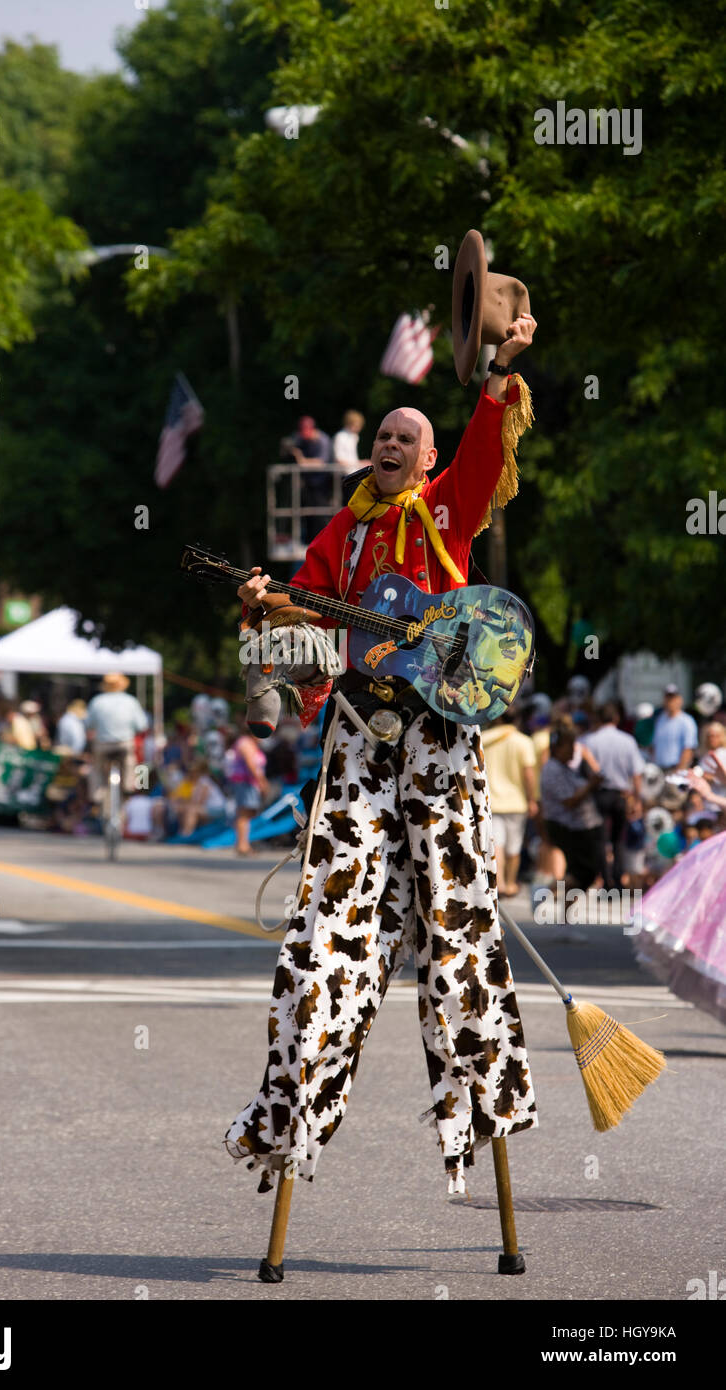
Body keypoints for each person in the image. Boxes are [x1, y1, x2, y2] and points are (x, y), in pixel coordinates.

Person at [225, 310, 539, 1196]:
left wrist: (494, 375)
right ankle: (287, 1118)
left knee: (459, 937)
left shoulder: (448, 508)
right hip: (361, 740)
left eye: (407, 436)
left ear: (427, 460)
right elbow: (307, 612)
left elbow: (485, 449)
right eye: (383, 437)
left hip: (439, 738)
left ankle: (481, 1100)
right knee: (325, 943)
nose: (391, 444)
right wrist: (266, 601)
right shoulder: (346, 532)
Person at [581, 701, 645, 890]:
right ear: (616, 718)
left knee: (600, 839)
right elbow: (636, 773)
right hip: (620, 794)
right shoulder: (628, 740)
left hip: (598, 794)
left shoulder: (589, 741)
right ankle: (618, 878)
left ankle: (605, 879)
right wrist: (637, 798)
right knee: (618, 839)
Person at [539, 727, 605, 891]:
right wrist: (591, 785)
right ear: (558, 748)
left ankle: (563, 908)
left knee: (583, 873)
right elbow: (569, 801)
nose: (573, 750)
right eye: (569, 746)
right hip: (567, 827)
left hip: (578, 826)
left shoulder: (563, 768)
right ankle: (545, 892)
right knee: (581, 873)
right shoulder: (552, 769)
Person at [481, 712, 538, 897]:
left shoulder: (483, 738)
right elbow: (528, 774)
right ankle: (511, 882)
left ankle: (500, 883)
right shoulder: (523, 742)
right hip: (516, 802)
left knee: (497, 845)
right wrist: (532, 799)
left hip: (492, 801)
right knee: (514, 846)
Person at [85, 673, 148, 803]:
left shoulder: (97, 701)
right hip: (124, 744)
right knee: (130, 762)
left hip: (102, 745)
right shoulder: (131, 701)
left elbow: (88, 724)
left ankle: (96, 796)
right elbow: (142, 725)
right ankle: (129, 787)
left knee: (96, 769)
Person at [287, 415, 334, 544]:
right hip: (309, 485)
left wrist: (301, 459)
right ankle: (309, 541)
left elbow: (321, 462)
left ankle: (324, 541)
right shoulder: (302, 439)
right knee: (308, 516)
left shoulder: (323, 440)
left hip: (322, 485)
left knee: (321, 516)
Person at [224, 729, 269, 854]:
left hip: (247, 783)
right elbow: (251, 765)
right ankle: (242, 845)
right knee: (244, 813)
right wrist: (262, 782)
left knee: (247, 813)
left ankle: (243, 844)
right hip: (245, 783)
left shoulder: (247, 743)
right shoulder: (246, 743)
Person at [651, 684, 697, 771]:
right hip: (659, 769)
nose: (670, 701)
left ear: (680, 700)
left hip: (676, 769)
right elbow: (654, 745)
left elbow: (688, 749)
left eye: (673, 698)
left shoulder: (687, 721)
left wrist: (679, 771)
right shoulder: (660, 719)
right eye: (667, 698)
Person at [332, 410, 368, 476]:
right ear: (349, 423)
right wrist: (361, 464)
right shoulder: (340, 437)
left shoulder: (354, 437)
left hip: (353, 473)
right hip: (343, 476)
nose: (359, 428)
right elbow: (339, 460)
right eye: (356, 425)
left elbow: (352, 458)